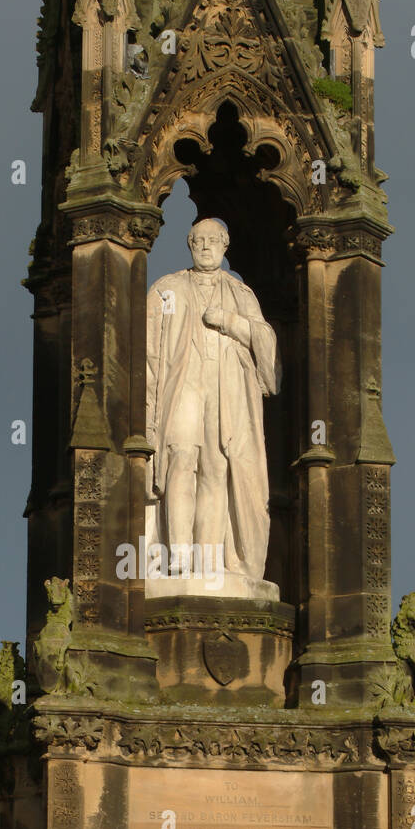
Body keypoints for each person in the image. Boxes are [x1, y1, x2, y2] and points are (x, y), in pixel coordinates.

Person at [145, 218, 280, 589]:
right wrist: (146, 411)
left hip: (225, 390)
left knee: (216, 469)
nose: (205, 246)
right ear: (189, 244)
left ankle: (207, 562)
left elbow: (265, 342)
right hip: (182, 386)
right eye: (199, 240)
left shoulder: (241, 293)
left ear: (225, 245)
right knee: (180, 460)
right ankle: (179, 558)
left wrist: (229, 322)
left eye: (213, 240)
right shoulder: (165, 290)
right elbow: (147, 354)